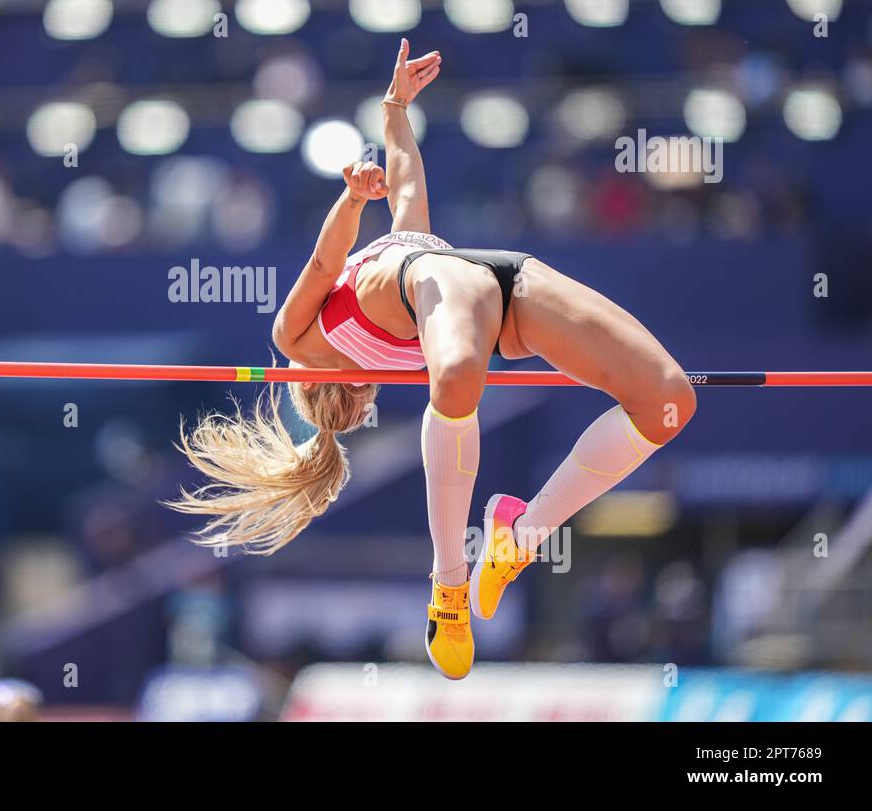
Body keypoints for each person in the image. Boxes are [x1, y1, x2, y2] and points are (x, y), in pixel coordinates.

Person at [170, 39, 696, 680]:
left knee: (669, 402)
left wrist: (394, 107)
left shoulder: (307, 330)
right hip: (447, 295)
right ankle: (448, 587)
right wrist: (352, 203)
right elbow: (323, 263)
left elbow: (407, 177)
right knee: (453, 380)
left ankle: (520, 533)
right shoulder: (307, 345)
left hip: (503, 284)